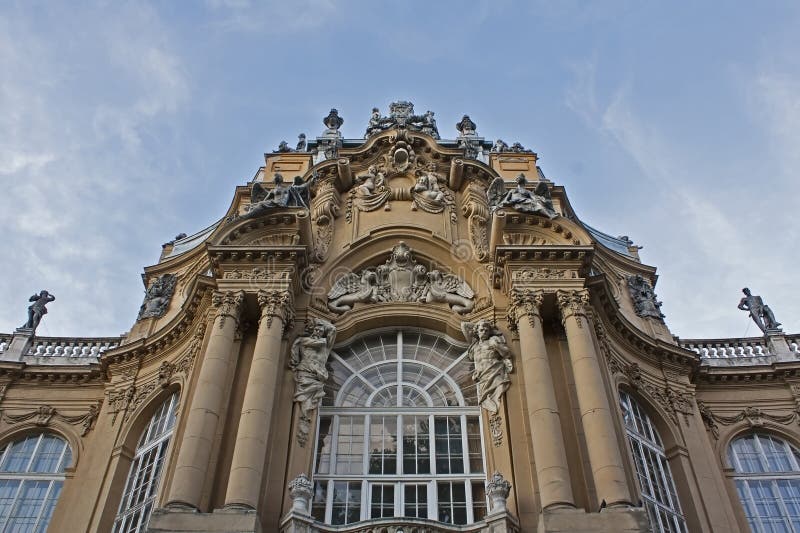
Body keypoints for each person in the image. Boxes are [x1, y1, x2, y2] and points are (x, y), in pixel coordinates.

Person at [290, 319, 337, 418]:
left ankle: (305, 425)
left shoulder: (326, 347)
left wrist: (318, 320)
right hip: (305, 374)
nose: (318, 332)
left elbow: (332, 330)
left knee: (310, 405)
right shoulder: (304, 341)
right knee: (302, 402)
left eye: (321, 331)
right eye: (316, 330)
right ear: (312, 330)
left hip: (317, 377)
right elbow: (316, 343)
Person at [462, 320, 511, 413]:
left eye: (486, 330)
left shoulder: (493, 340)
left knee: (498, 392)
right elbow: (463, 325)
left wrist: (497, 346)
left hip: (494, 372)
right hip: (482, 377)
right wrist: (479, 323)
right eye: (481, 330)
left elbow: (507, 354)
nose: (484, 332)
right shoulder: (474, 345)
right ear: (477, 331)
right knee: (486, 399)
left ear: (490, 332)